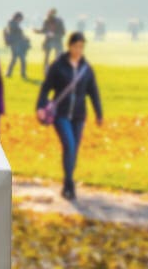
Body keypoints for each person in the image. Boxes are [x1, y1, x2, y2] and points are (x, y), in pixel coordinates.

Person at [36, 32, 103, 200]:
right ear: (70, 46)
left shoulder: (86, 69)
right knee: (70, 145)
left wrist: (99, 113)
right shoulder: (58, 66)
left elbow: (93, 92)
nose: (78, 50)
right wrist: (40, 106)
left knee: (73, 150)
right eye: (76, 46)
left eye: (81, 47)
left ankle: (68, 181)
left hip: (79, 115)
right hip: (61, 114)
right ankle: (69, 183)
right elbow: (46, 88)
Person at [4, 12, 29, 80]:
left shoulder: (15, 23)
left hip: (19, 44)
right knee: (20, 59)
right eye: (21, 18)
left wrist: (25, 38)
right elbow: (15, 33)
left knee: (16, 59)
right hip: (15, 44)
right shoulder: (12, 23)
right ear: (18, 17)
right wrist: (22, 36)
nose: (21, 20)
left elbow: (18, 34)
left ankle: (9, 73)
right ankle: (20, 74)